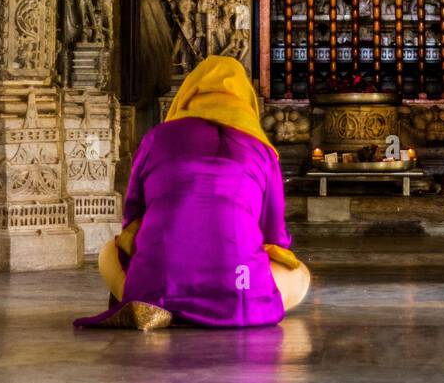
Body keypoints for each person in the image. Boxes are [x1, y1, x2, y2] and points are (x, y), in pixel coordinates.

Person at [75, 55, 310, 332]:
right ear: (246, 100)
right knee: (300, 276)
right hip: (238, 288)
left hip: (159, 283)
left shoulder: (157, 138)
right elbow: (276, 235)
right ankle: (238, 293)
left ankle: (149, 300)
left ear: (188, 93)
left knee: (107, 252)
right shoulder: (261, 151)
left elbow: (133, 215)